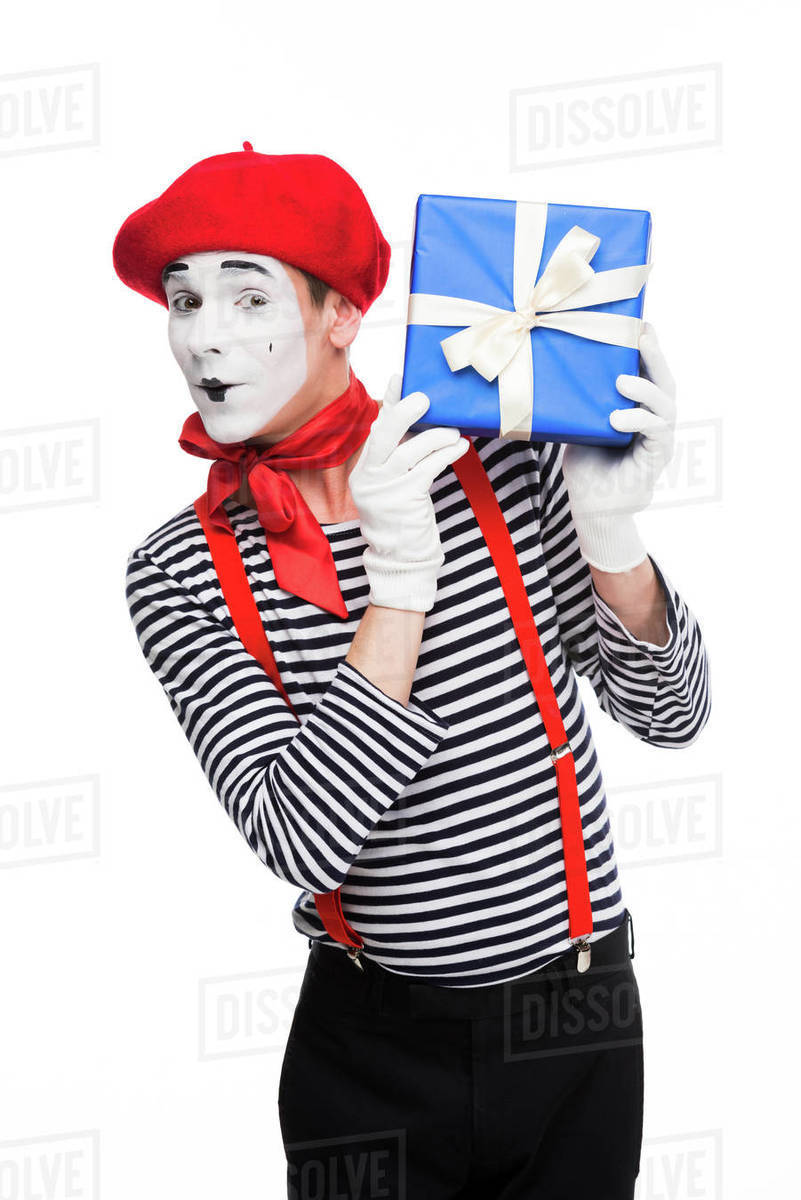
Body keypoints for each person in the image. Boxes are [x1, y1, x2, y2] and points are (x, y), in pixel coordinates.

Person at [116, 143, 711, 1199]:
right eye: (184, 300)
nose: (205, 338)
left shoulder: (501, 457)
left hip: (575, 1027)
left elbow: (673, 715)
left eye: (247, 298)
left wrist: (614, 536)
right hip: (369, 1053)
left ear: (343, 313)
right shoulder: (178, 570)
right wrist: (400, 583)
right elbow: (303, 839)